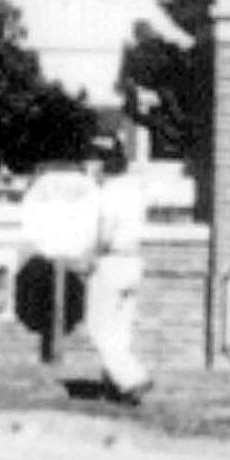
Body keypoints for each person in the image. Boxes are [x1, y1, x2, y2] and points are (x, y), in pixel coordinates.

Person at [84, 138, 154, 402]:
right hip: (134, 260)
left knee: (98, 327)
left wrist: (93, 255)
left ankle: (133, 377)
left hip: (111, 260)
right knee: (120, 329)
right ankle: (116, 386)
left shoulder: (109, 191)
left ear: (103, 163)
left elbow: (107, 228)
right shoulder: (136, 188)